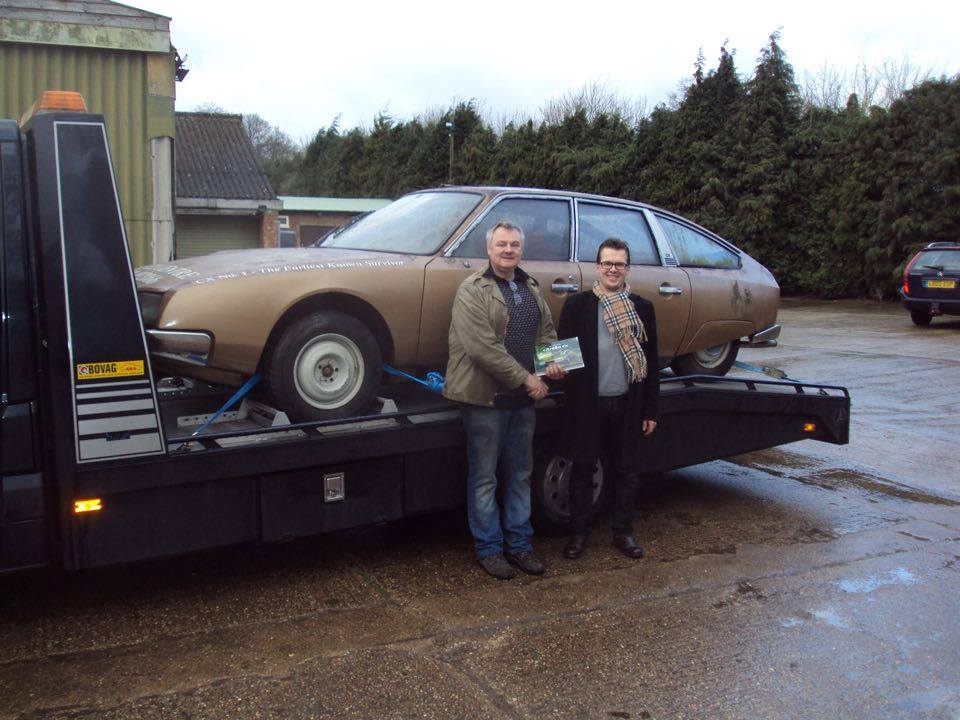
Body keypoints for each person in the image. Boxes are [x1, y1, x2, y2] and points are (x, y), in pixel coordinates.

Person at [444, 221, 564, 579]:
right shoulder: (472, 290)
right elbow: (483, 348)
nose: (508, 250)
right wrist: (527, 380)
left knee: (520, 475)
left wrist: (551, 367)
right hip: (485, 399)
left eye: (514, 244)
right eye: (501, 244)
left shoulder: (530, 287)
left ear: (521, 250)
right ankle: (489, 549)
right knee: (484, 478)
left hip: (522, 400)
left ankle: (520, 545)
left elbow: (546, 333)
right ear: (489, 249)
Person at [557, 237, 659, 560]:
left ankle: (623, 532)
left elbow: (651, 362)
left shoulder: (643, 308)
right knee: (583, 469)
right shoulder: (578, 306)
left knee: (626, 471)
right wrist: (554, 374)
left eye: (619, 264)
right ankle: (579, 533)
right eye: (607, 263)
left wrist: (650, 409)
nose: (613, 269)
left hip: (627, 404)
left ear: (628, 268)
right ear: (597, 267)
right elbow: (562, 355)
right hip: (588, 406)